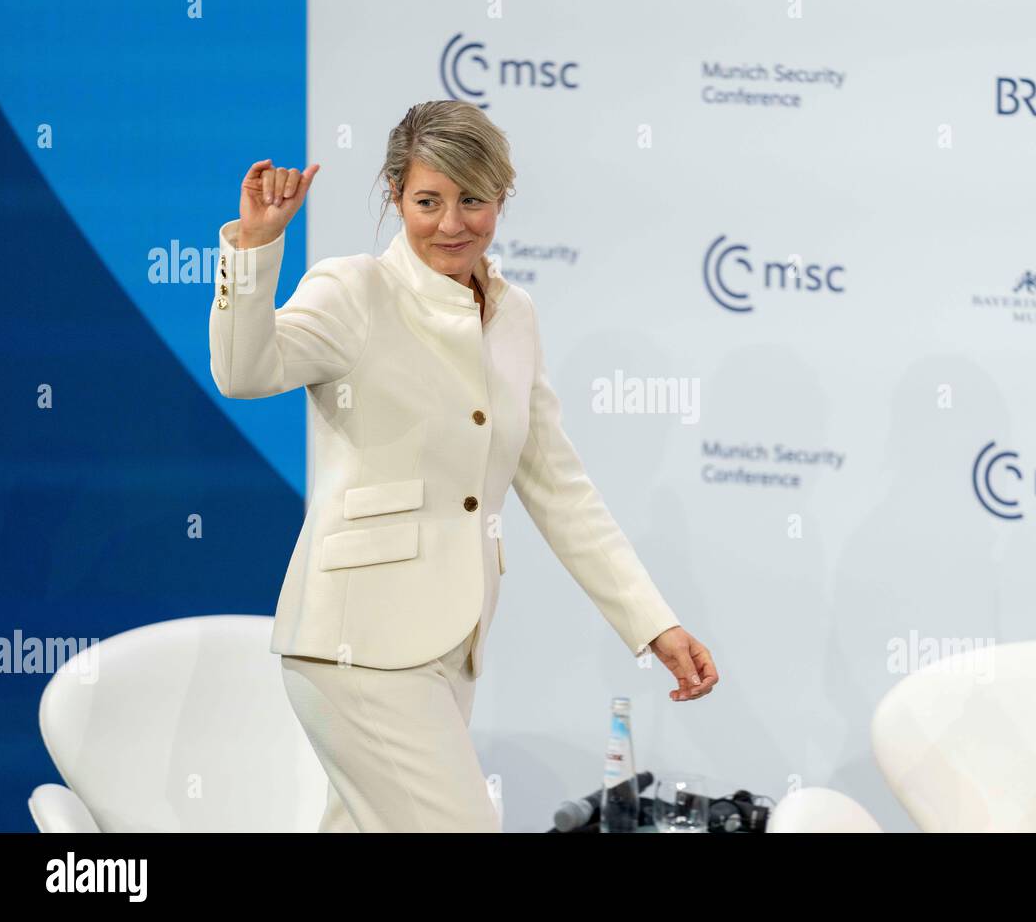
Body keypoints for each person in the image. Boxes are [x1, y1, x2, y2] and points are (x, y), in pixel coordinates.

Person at [209, 100, 718, 831]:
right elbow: (243, 369)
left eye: (473, 199)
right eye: (428, 201)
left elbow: (559, 488)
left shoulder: (515, 316)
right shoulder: (354, 290)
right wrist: (255, 248)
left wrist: (653, 625)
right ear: (395, 198)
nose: (453, 223)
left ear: (501, 198)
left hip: (453, 645)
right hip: (356, 651)